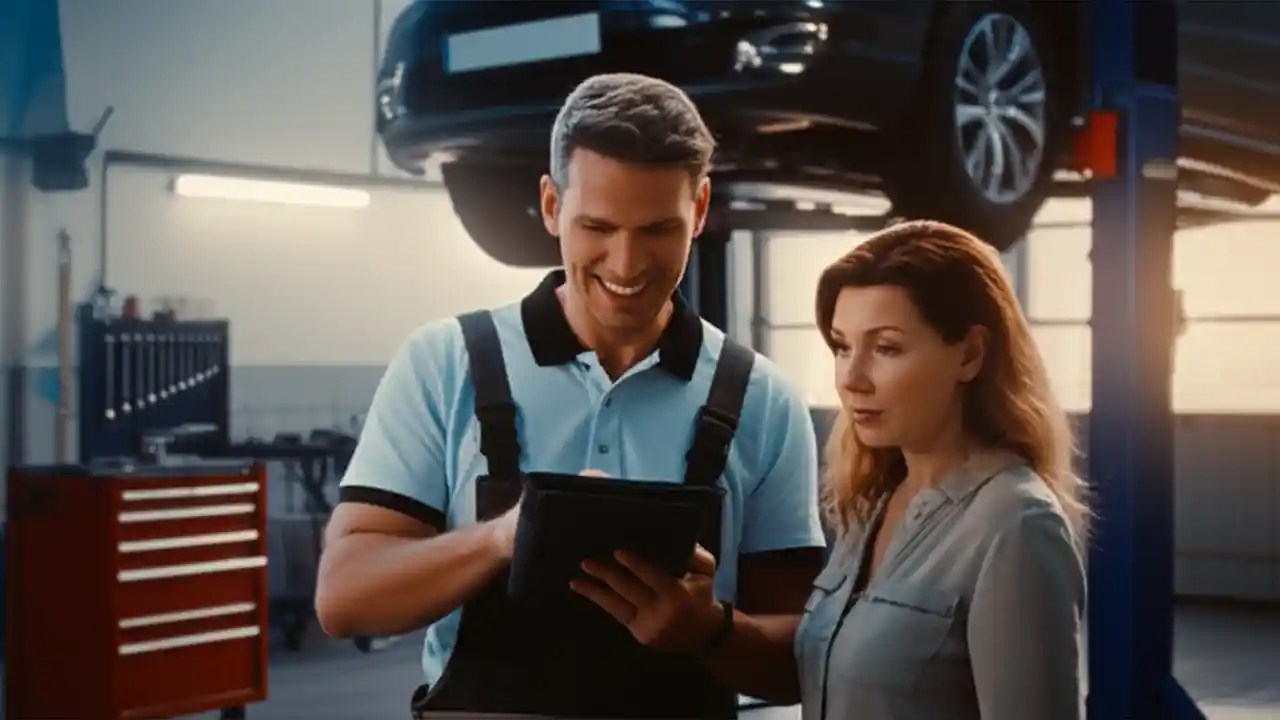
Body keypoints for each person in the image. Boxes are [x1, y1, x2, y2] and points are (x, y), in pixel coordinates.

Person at [314, 72, 827, 719]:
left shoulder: (761, 397)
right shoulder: (446, 364)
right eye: (598, 226)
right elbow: (345, 600)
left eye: (657, 230)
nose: (625, 263)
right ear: (552, 206)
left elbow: (803, 657)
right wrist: (502, 537)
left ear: (700, 209)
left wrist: (711, 630)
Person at [582, 219, 1090, 719]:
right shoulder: (875, 502)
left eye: (887, 347)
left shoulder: (1016, 525)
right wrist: (707, 627)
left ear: (971, 354)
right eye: (843, 346)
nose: (851, 378)